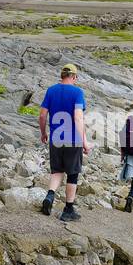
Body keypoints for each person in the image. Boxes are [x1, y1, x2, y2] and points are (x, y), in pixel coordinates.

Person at [38, 63, 91, 221]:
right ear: (74, 76)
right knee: (72, 174)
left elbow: (42, 115)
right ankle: (68, 210)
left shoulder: (51, 90)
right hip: (72, 139)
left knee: (57, 171)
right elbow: (78, 118)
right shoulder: (77, 92)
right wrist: (84, 142)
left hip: (55, 138)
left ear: (62, 75)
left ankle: (50, 196)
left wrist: (43, 133)